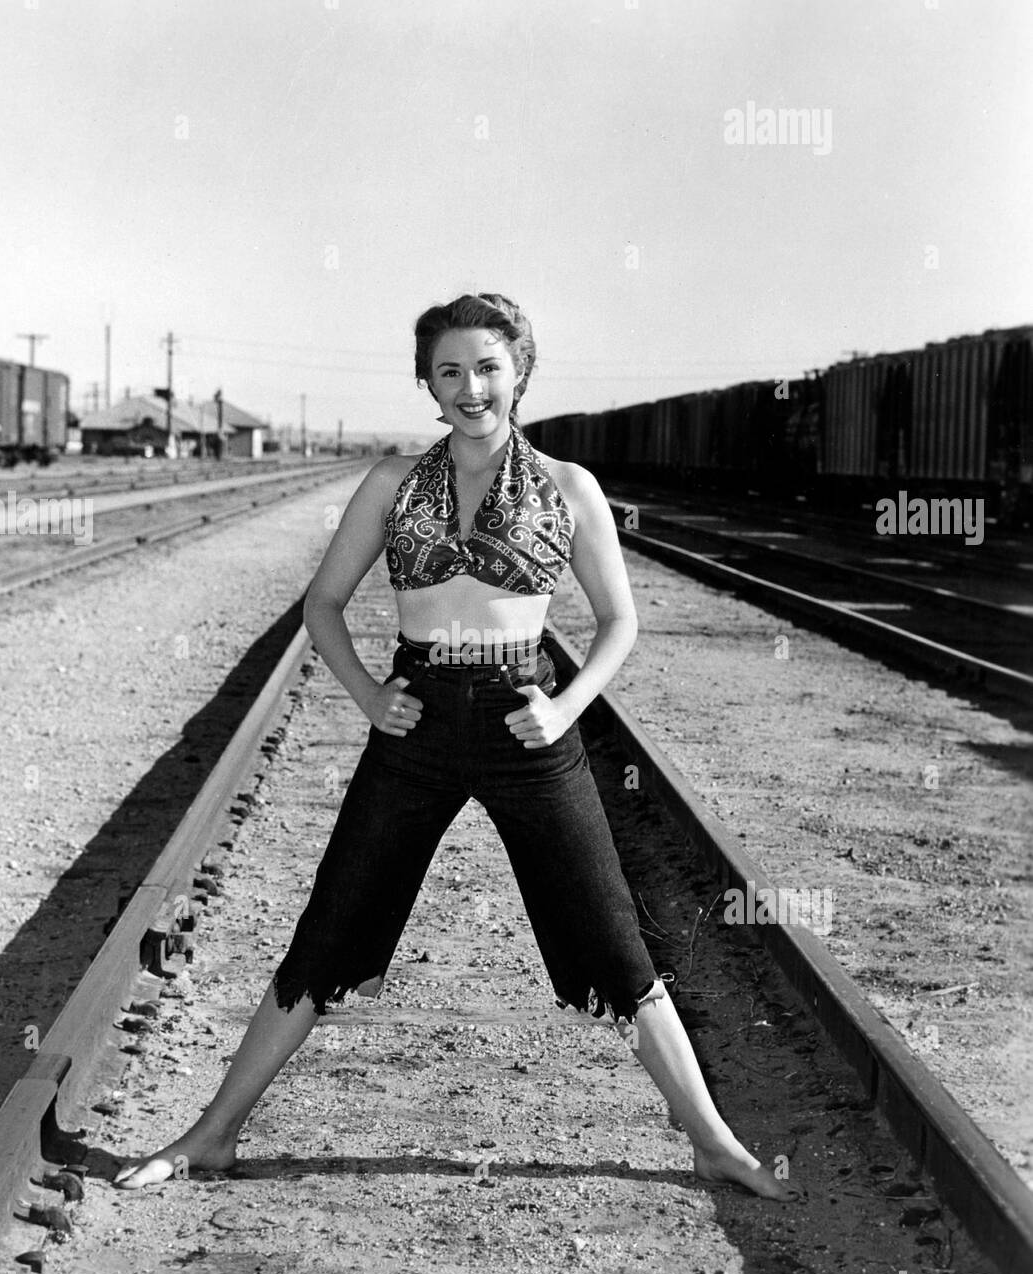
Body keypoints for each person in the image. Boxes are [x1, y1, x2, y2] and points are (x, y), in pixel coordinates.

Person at [115, 293, 797, 1200]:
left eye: (487, 367)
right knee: (330, 929)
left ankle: (711, 1141)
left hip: (526, 723)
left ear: (519, 372)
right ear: (427, 384)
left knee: (612, 938)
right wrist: (368, 697)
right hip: (419, 723)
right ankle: (213, 1133)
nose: (470, 388)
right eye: (449, 371)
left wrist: (565, 710)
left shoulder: (567, 487)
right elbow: (321, 606)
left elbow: (618, 621)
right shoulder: (393, 483)